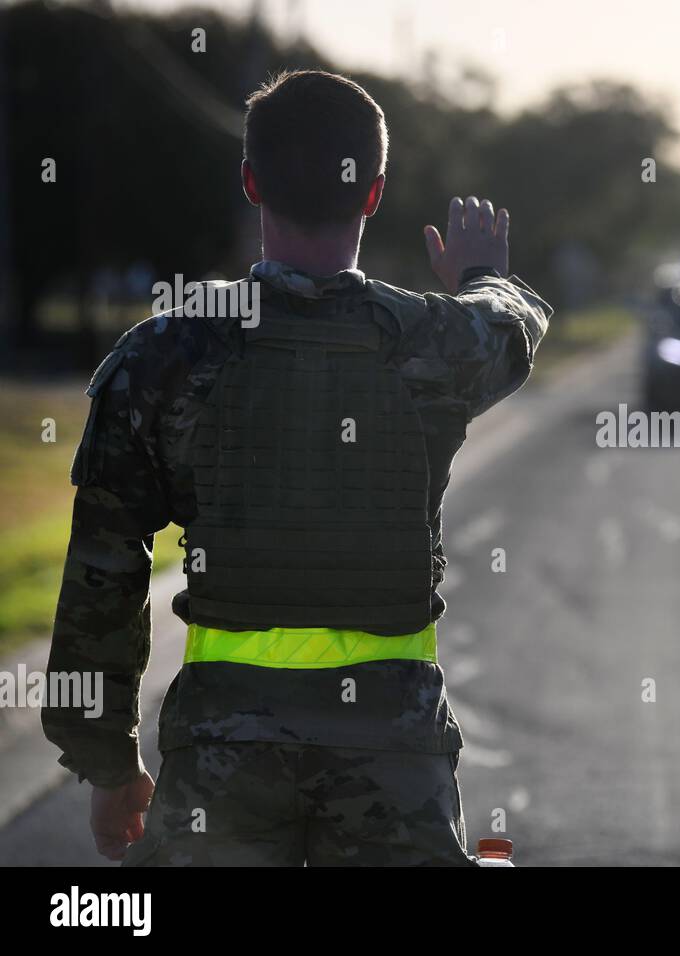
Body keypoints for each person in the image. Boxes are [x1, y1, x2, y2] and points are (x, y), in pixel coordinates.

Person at [41, 69, 551, 866]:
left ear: (250, 181)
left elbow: (104, 568)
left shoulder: (166, 352)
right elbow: (510, 330)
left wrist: (106, 761)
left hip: (222, 756)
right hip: (394, 752)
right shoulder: (432, 343)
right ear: (374, 193)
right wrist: (486, 276)